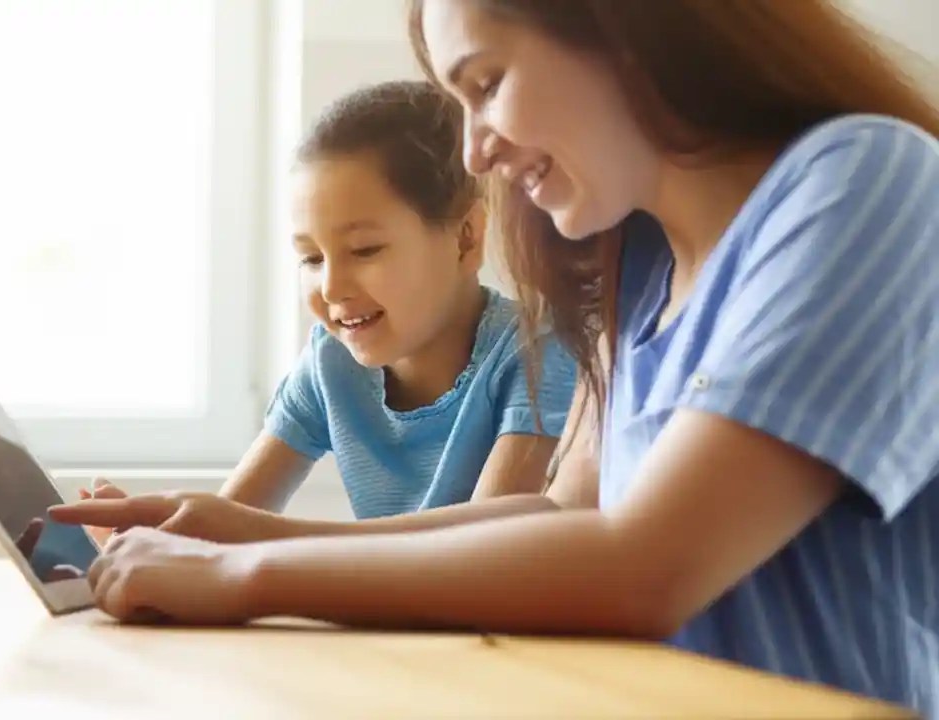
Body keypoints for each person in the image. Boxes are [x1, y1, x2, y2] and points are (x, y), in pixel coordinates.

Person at [54, 1, 939, 715]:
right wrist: (247, 530)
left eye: (487, 84)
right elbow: (561, 512)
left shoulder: (870, 183)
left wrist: (249, 574)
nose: (475, 149)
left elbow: (648, 566)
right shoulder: (638, 264)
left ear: (626, 32)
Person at [73, 80, 576, 543]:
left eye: (364, 250)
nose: (332, 287)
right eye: (311, 258)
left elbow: (480, 553)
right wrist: (153, 540)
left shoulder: (538, 351)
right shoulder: (330, 362)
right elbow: (226, 526)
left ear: (465, 238)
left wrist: (258, 538)